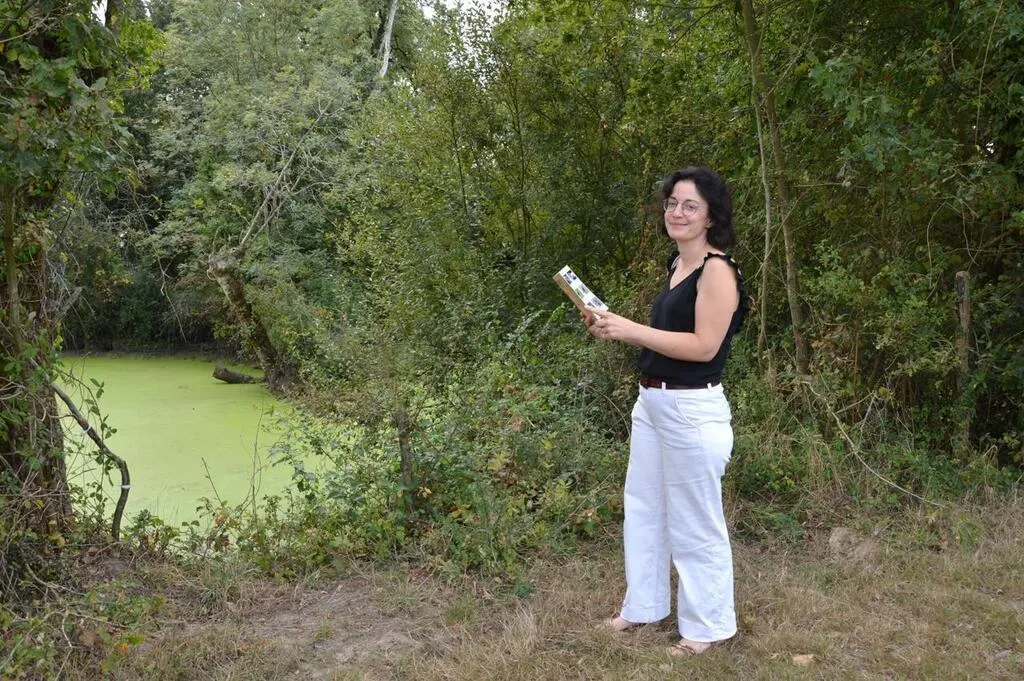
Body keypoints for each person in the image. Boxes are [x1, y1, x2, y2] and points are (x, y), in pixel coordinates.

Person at [585, 167, 748, 657]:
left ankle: (707, 627)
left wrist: (628, 329)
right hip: (652, 403)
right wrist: (610, 327)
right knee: (645, 510)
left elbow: (702, 347)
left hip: (692, 409)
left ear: (711, 216)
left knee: (694, 522)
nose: (677, 212)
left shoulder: (717, 270)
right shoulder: (676, 265)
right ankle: (644, 606)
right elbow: (665, 339)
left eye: (690, 205)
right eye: (672, 203)